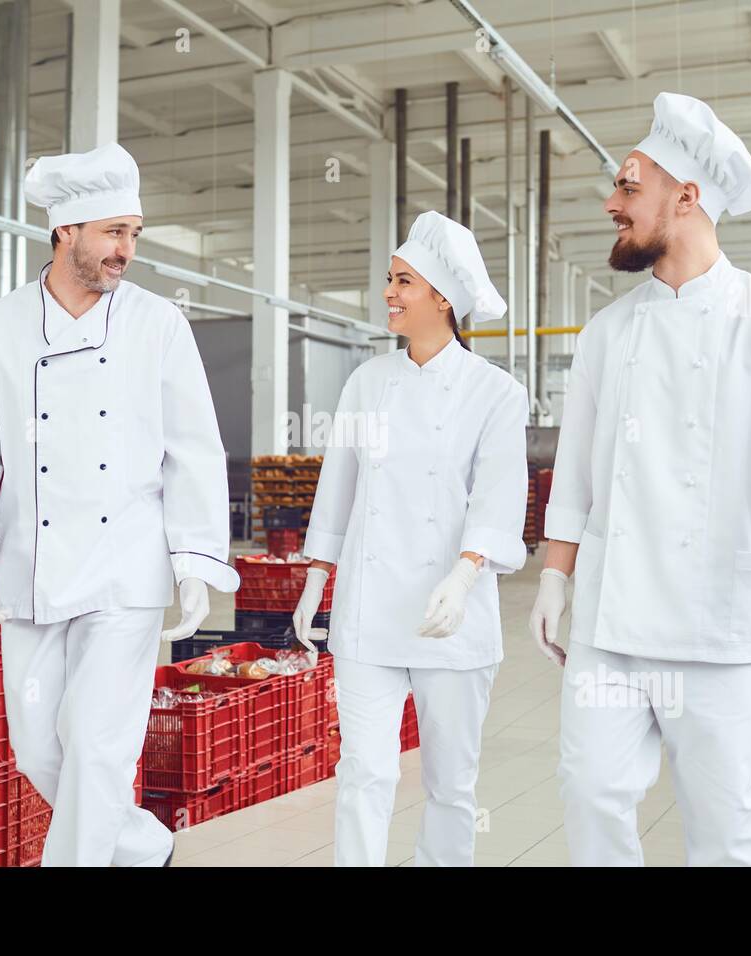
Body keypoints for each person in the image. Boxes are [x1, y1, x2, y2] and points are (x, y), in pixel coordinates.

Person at [528, 93, 751, 866]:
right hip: (612, 620)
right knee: (589, 795)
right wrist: (556, 576)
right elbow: (578, 470)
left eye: (628, 186)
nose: (610, 203)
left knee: (720, 821)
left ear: (685, 197)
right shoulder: (605, 334)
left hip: (718, 623)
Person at [0, 142, 239, 867]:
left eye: (134, 233)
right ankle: (140, 845)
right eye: (113, 233)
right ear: (65, 230)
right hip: (31, 572)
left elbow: (193, 448)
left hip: (126, 571)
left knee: (98, 749)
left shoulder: (158, 324)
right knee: (38, 747)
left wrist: (193, 559)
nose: (126, 250)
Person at [292, 210, 530, 866]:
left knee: (451, 784)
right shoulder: (367, 383)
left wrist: (463, 574)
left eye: (403, 280)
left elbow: (499, 499)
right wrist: (317, 575)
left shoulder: (497, 394)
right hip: (369, 612)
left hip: (451, 618)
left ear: (443, 298)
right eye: (389, 279)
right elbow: (338, 485)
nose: (389, 293)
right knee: (364, 772)